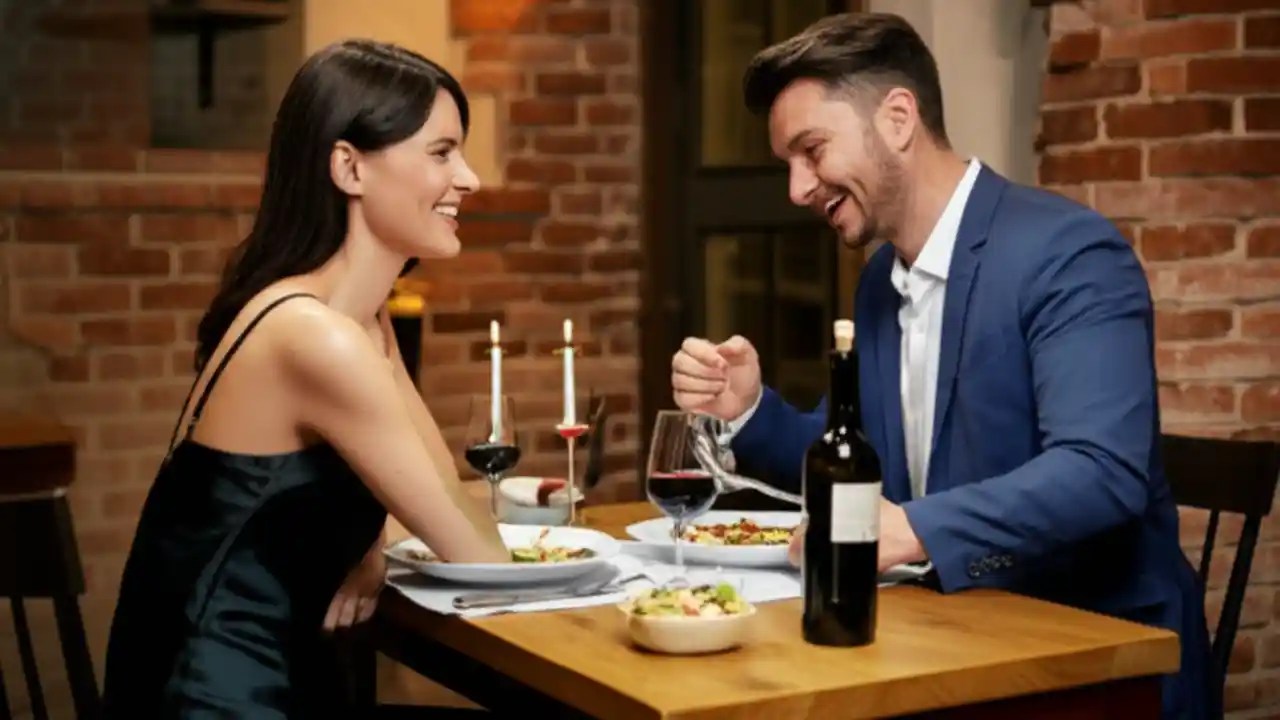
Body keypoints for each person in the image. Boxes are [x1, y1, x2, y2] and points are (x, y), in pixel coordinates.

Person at [670, 13, 1214, 720]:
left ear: (898, 118)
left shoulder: (1070, 255)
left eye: (812, 151)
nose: (798, 190)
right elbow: (857, 465)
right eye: (788, 165)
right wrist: (745, 409)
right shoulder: (877, 282)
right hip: (951, 646)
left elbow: (1101, 472)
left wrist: (915, 529)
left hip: (1100, 667)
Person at [102, 39, 508, 717]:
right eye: (442, 153)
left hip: (275, 683)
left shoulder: (346, 319)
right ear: (349, 167)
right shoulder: (316, 339)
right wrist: (395, 536)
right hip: (216, 700)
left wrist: (374, 545)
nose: (468, 178)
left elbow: (438, 508)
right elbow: (478, 555)